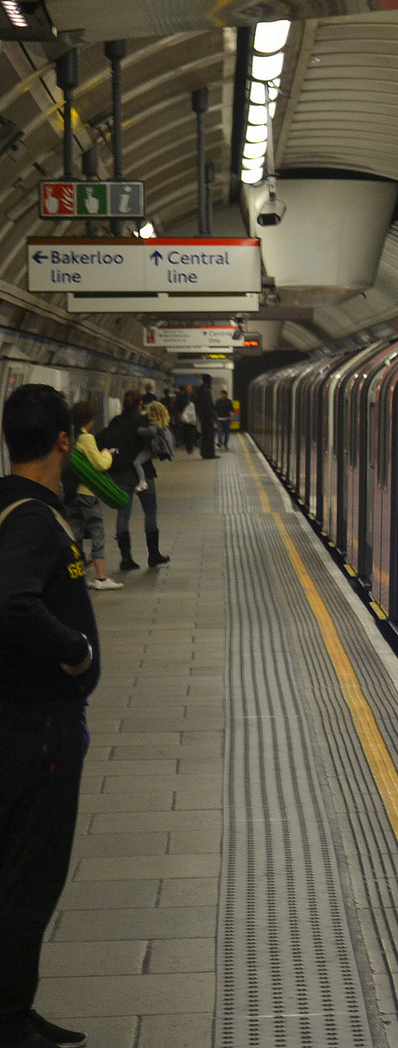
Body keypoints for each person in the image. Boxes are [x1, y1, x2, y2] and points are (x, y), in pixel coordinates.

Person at [0, 383, 98, 1048]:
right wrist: (74, 650)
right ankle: (10, 1020)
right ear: (64, 440)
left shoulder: (6, 504)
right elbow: (12, 599)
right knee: (30, 876)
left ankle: (14, 1009)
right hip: (37, 728)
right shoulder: (35, 518)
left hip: (18, 720)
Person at [98, 391, 170, 572]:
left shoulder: (116, 422)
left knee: (123, 515)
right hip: (143, 473)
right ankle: (153, 555)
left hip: (121, 474)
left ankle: (126, 558)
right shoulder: (144, 421)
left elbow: (100, 439)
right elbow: (153, 442)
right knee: (150, 511)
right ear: (140, 404)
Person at [65, 403, 121, 591]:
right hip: (86, 493)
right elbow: (99, 465)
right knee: (97, 531)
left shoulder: (70, 437)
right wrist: (107, 454)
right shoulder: (86, 438)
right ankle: (101, 577)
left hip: (70, 493)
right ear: (89, 420)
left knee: (76, 534)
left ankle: (78, 577)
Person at [195, 375, 217, 459]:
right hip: (207, 417)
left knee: (204, 436)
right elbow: (208, 405)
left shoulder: (200, 389)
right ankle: (209, 454)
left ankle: (204, 453)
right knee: (209, 435)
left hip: (203, 417)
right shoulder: (206, 390)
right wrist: (212, 417)